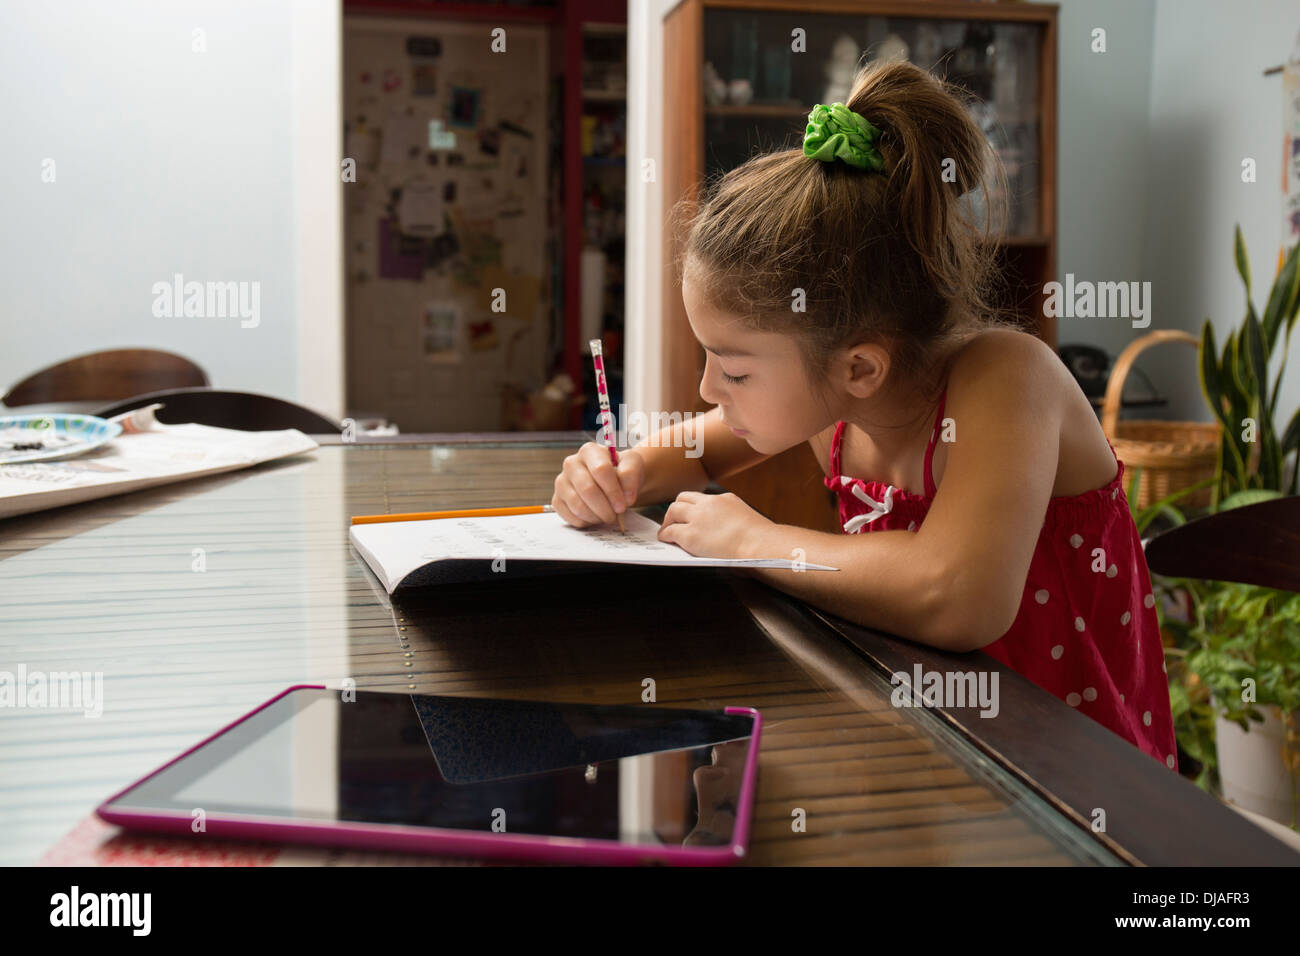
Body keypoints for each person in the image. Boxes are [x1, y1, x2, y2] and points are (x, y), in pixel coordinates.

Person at [552, 60, 1176, 770]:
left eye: (733, 369)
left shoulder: (1009, 379)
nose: (706, 390)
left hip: (1078, 778)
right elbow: (697, 448)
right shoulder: (832, 401)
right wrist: (621, 473)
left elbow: (957, 595)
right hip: (941, 744)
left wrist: (756, 543)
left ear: (859, 367)